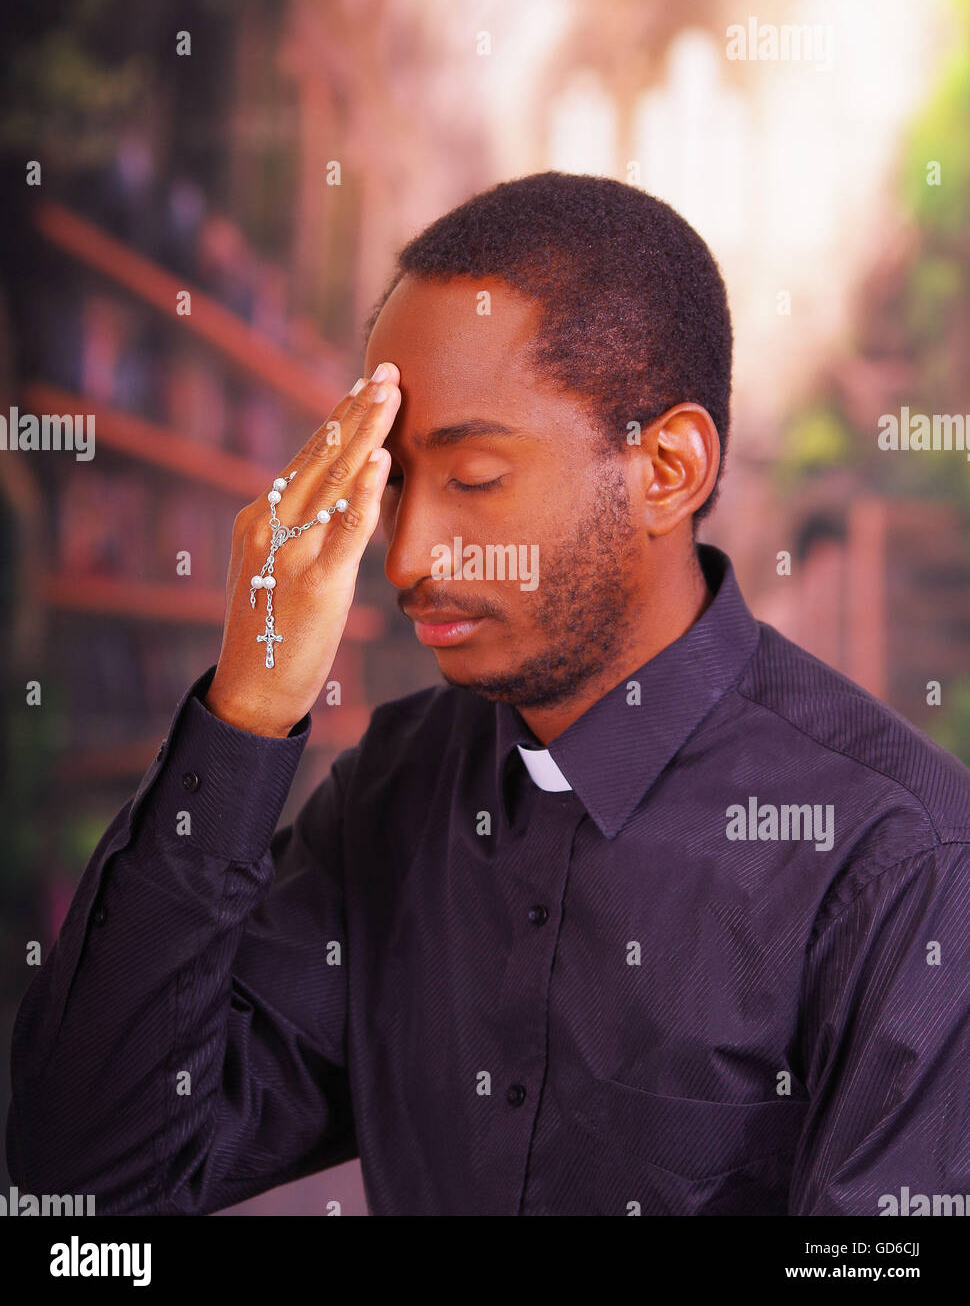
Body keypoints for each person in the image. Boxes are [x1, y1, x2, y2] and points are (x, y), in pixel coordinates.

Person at [7, 172, 970, 1216]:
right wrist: (247, 710)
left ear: (666, 467)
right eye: (393, 484)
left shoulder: (898, 859)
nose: (409, 553)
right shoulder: (392, 794)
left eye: (471, 479)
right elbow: (92, 1178)